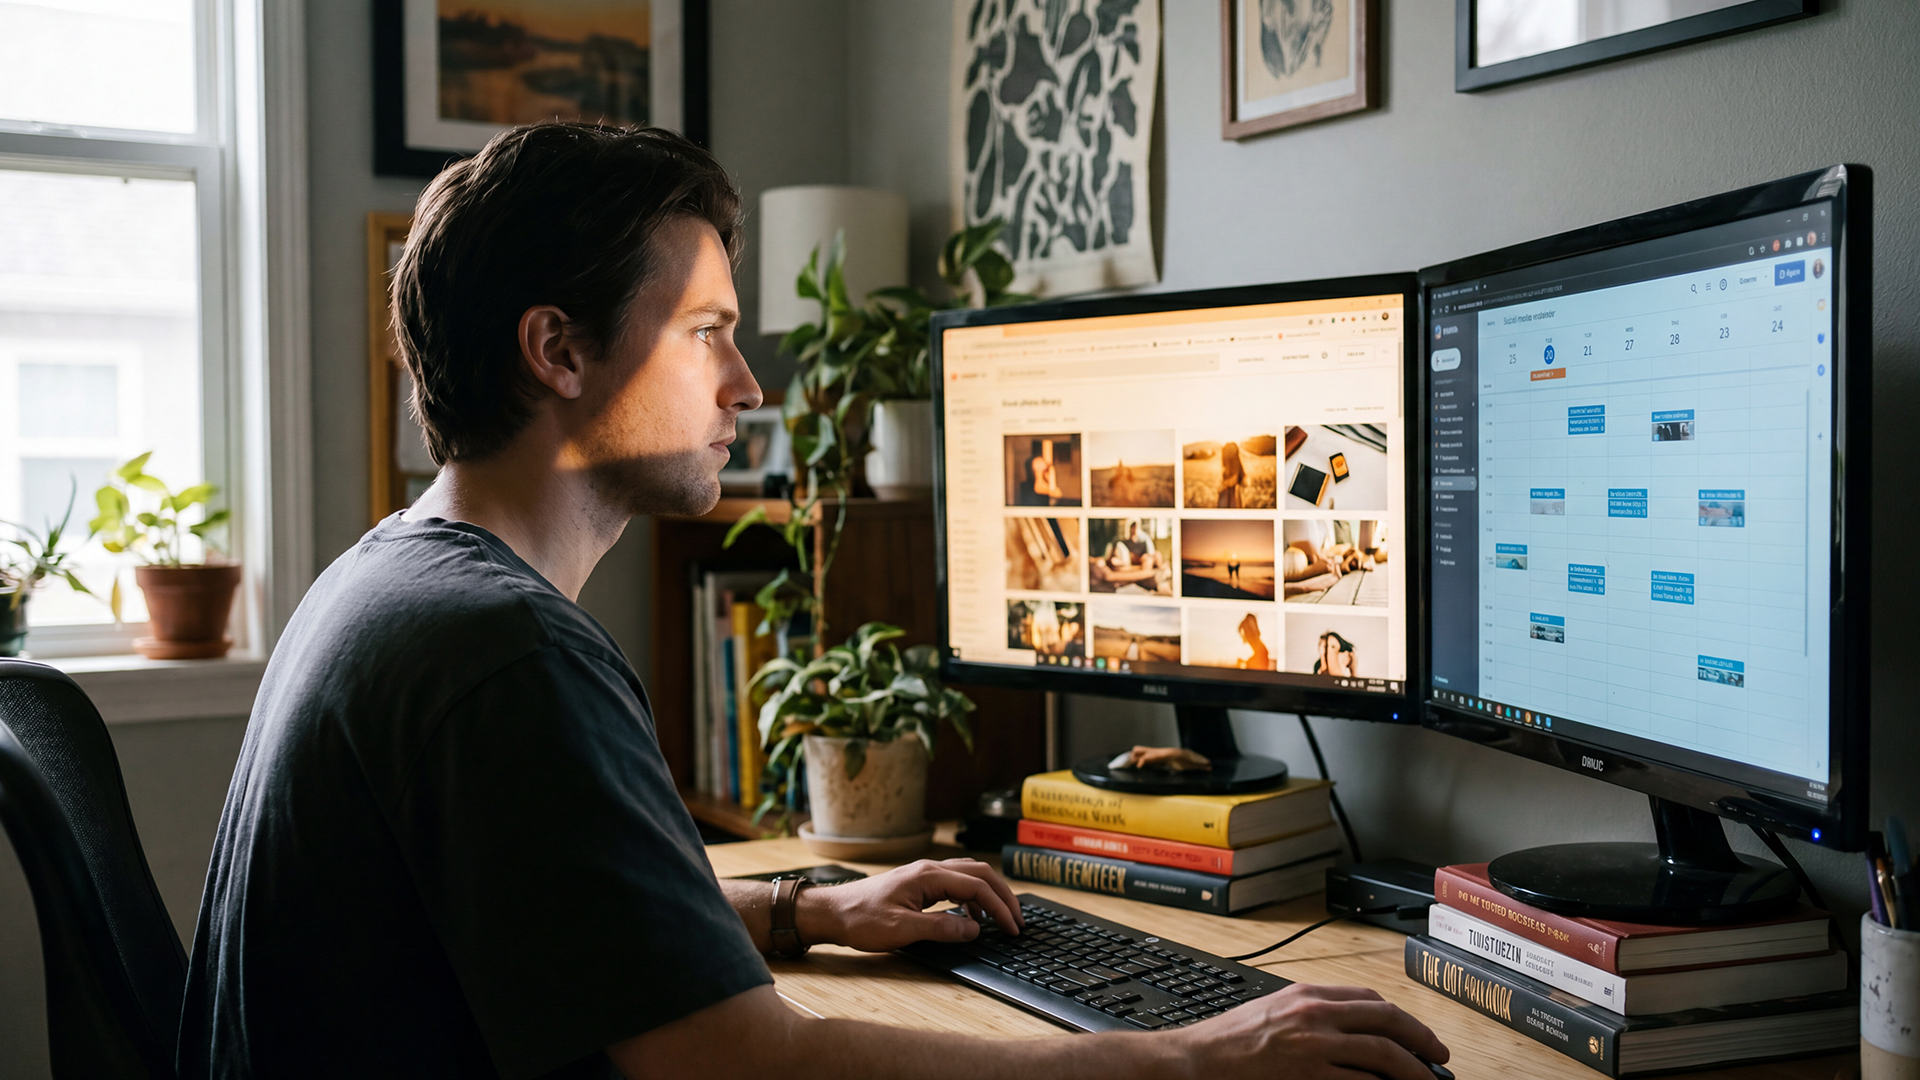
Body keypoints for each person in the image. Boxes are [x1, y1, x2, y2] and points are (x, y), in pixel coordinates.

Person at [178, 122, 1446, 1080]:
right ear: (558, 351)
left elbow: (558, 907)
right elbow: (745, 1064)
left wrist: (810, 905)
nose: (746, 386)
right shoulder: (504, 651)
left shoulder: (394, 576)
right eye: (705, 331)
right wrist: (1183, 1058)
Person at [1215, 440, 1244, 508]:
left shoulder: (1234, 464)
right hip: (1230, 495)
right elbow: (1243, 480)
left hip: (1230, 496)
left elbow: (1234, 479)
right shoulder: (1236, 462)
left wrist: (1223, 486)